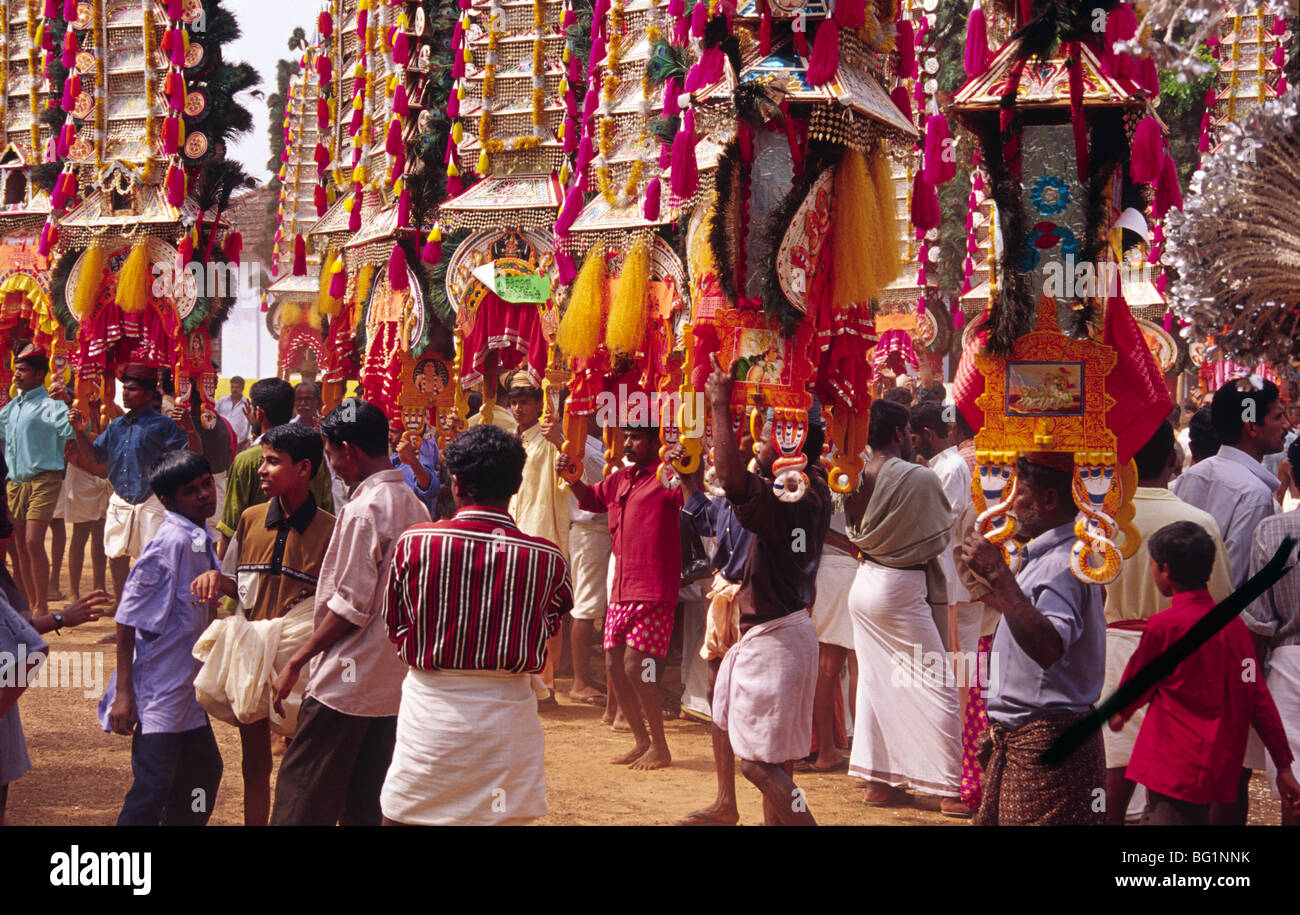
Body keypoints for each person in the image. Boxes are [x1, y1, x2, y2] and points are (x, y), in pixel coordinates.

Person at [379, 424, 572, 825]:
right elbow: (551, 625)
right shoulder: (548, 558)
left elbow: (395, 625)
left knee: (405, 816)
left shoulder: (415, 544)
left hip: (431, 717)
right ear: (517, 485)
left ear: (457, 484)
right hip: (509, 724)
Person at [268, 400, 432, 826]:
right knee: (367, 801)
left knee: (302, 797)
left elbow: (350, 606)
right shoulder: (416, 507)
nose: (334, 466)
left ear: (349, 450)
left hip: (347, 681)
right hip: (391, 685)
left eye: (332, 455)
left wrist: (298, 658)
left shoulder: (363, 510)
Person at [692, 364, 829, 826]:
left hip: (775, 639)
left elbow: (732, 484)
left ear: (793, 437)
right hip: (781, 636)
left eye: (771, 427)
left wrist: (716, 402)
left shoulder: (795, 494)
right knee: (772, 756)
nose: (761, 435)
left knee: (757, 761)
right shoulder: (810, 488)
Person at [189, 423, 335, 826]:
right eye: (263, 460)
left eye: (273, 461)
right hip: (251, 658)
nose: (261, 470)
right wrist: (218, 580)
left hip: (303, 665)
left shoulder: (330, 530)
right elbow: (239, 580)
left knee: (305, 766)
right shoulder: (252, 520)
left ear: (304, 468)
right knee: (254, 765)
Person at [1110, 521, 1300, 825]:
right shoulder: (1236, 630)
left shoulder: (1164, 626)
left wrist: (1121, 713)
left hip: (1170, 764)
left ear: (1165, 571)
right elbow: (1258, 698)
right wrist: (1284, 766)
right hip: (1217, 764)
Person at [962, 453, 1106, 825]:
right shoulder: (1048, 557)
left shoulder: (1063, 564)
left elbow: (1048, 648)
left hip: (1047, 742)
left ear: (1048, 500)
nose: (1008, 503)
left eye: (1017, 493)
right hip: (1029, 740)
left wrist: (997, 575)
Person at [1101, 419, 1233, 824]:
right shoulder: (1199, 522)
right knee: (1174, 775)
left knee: (1113, 772)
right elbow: (1221, 606)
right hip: (1180, 658)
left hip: (1114, 651)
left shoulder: (1103, 520)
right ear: (1173, 459)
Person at [1172, 376, 1288, 824]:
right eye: (1277, 416)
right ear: (1251, 426)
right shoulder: (1255, 493)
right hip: (1225, 641)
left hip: (1183, 631)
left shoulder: (1192, 477)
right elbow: (1242, 581)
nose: (1285, 424)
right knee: (1229, 772)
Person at [840, 398, 964, 813]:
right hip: (900, 587)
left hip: (865, 584)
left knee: (877, 683)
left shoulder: (851, 474)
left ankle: (879, 782)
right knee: (937, 684)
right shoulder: (918, 478)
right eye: (907, 430)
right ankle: (951, 789)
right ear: (898, 434)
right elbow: (940, 537)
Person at [97, 451, 224, 826]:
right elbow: (127, 618)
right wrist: (124, 693)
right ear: (168, 501)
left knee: (203, 774)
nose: (204, 494)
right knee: (152, 788)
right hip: (161, 694)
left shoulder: (199, 536)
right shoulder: (169, 543)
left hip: (187, 689)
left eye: (206, 483)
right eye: (191, 491)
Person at [560, 409, 683, 771]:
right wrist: (571, 477)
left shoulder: (668, 476)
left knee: (635, 665)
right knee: (614, 664)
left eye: (635, 437)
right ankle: (643, 741)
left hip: (655, 588)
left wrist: (684, 463)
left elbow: (690, 495)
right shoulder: (622, 478)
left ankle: (659, 745)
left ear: (656, 440)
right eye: (626, 436)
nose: (627, 443)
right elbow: (590, 498)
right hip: (622, 586)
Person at [675, 421, 757, 823]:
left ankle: (775, 806)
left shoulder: (770, 491)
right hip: (724, 596)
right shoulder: (727, 495)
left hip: (760, 604)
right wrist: (686, 475)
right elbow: (704, 519)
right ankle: (727, 801)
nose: (719, 455)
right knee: (717, 693)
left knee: (758, 701)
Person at [67, 364, 200, 602]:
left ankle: (151, 615)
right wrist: (78, 431)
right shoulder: (116, 426)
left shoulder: (163, 425)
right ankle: (124, 614)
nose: (126, 394)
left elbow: (193, 458)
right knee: (116, 557)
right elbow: (94, 456)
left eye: (132, 389)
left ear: (148, 394)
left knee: (152, 562)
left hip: (152, 501)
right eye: (124, 389)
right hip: (120, 501)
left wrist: (190, 429)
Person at [506, 371, 570, 708]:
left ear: (537, 404)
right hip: (516, 534)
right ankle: (526, 682)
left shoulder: (549, 439)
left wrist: (561, 441)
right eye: (514, 401)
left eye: (525, 401)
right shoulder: (513, 441)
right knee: (519, 614)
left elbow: (574, 474)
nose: (518, 408)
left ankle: (547, 687)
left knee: (546, 616)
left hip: (542, 535)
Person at [1245, 435, 1300, 825]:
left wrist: (1250, 687)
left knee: (1293, 789)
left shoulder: (1271, 532)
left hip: (1287, 665)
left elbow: (1260, 624)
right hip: (1286, 661)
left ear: (1292, 476)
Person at [216, 378, 333, 558]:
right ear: (292, 409)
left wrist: (221, 568)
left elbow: (231, 526)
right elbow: (327, 510)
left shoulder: (245, 460)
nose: (264, 469)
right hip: (308, 557)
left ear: (259, 413)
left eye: (272, 461)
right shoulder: (313, 454)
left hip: (257, 556)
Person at [0, 348, 73, 617]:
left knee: (32, 541)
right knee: (19, 545)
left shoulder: (51, 404)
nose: (17, 375)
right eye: (16, 369)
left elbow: (72, 431)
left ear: (39, 374)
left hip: (45, 479)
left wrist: (68, 404)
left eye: (23, 370)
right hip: (15, 482)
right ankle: (29, 604)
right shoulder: (11, 408)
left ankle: (41, 604)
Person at [564, 413, 612, 704]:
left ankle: (599, 678)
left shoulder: (599, 441)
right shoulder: (577, 444)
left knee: (604, 607)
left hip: (605, 529)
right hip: (589, 529)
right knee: (587, 606)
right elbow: (602, 476)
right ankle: (580, 681)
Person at [388, 420, 440, 520]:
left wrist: (412, 461)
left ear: (411, 434)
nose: (389, 437)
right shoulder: (394, 459)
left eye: (394, 432)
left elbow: (432, 490)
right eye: (389, 431)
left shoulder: (420, 463)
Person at [215, 376, 252, 450]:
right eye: (232, 387)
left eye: (237, 387)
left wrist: (249, 440)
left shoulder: (247, 404)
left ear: (243, 388)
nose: (234, 390)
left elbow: (250, 423)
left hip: (239, 443)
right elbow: (214, 417)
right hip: (221, 441)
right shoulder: (222, 401)